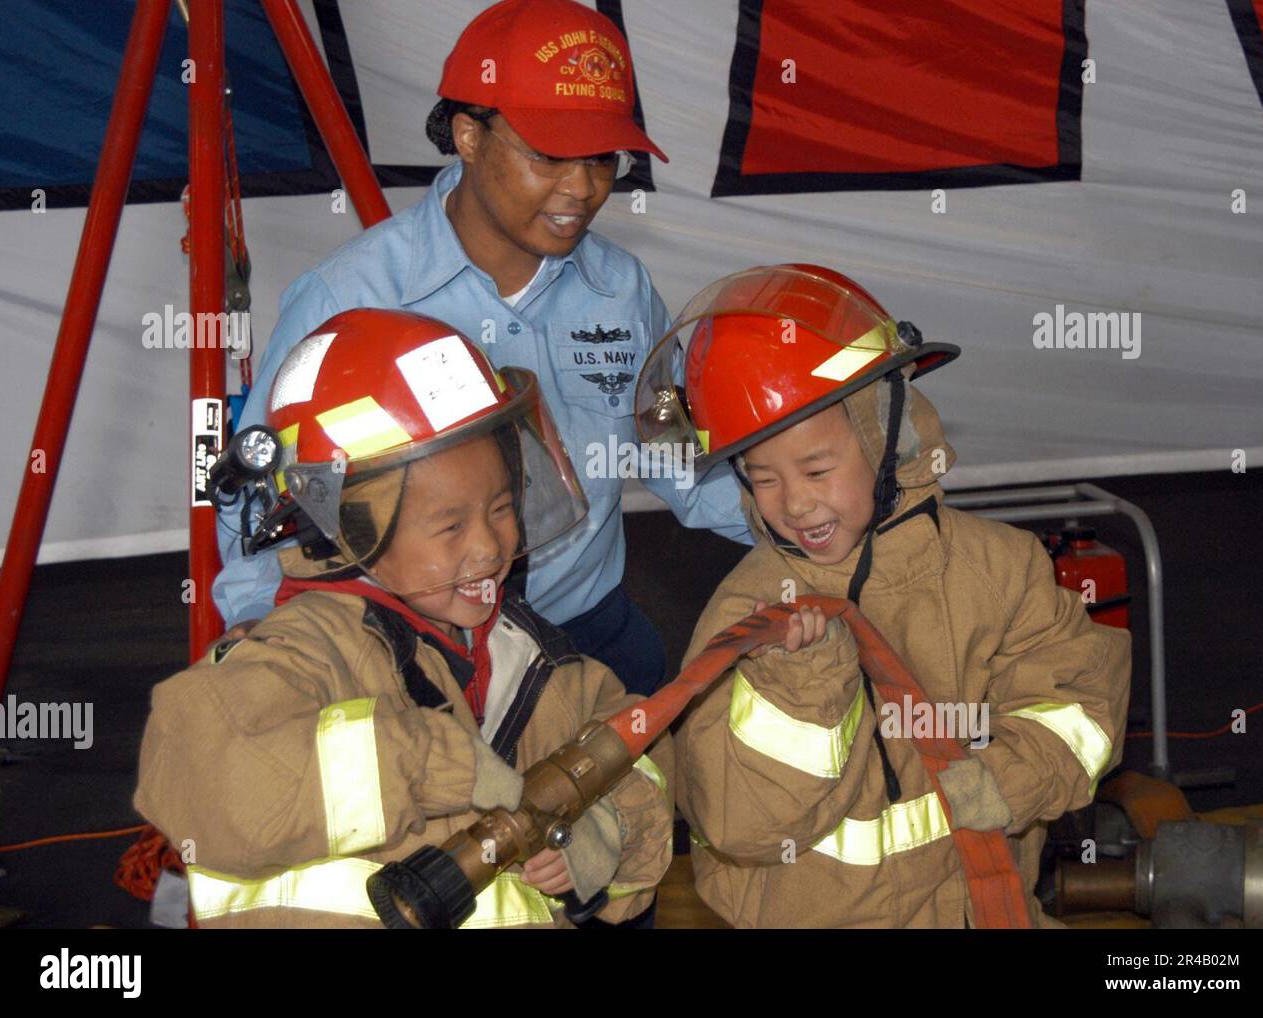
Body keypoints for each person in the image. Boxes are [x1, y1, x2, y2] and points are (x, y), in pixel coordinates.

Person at [213, 0, 750, 696]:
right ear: (468, 135)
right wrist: (266, 630)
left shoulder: (620, 287)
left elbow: (678, 455)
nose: (583, 188)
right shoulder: (349, 298)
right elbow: (263, 492)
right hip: (426, 657)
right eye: (549, 155)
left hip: (592, 639)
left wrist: (807, 509)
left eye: (602, 159)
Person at [138, 310, 673, 928]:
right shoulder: (303, 652)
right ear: (350, 526)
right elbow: (203, 772)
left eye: (502, 507)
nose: (489, 547)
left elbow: (639, 751)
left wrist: (607, 826)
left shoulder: (531, 657)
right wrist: (443, 767)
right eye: (450, 525)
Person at [635, 264, 1130, 927]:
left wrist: (1011, 779)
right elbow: (737, 824)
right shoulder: (751, 614)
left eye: (816, 468)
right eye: (762, 478)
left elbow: (1081, 705)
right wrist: (802, 693)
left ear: (886, 436)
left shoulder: (1003, 568)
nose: (796, 503)